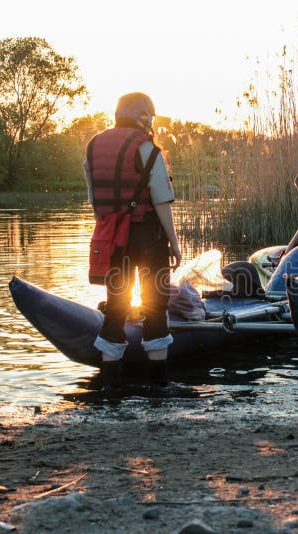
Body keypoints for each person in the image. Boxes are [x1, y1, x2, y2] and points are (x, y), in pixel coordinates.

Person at [84, 92, 182, 392]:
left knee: (116, 307)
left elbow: (95, 200)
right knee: (155, 305)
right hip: (148, 236)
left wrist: (111, 231)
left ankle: (110, 386)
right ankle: (159, 385)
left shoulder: (93, 146)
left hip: (113, 237)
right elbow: (161, 200)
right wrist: (174, 242)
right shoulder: (147, 147)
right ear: (143, 116)